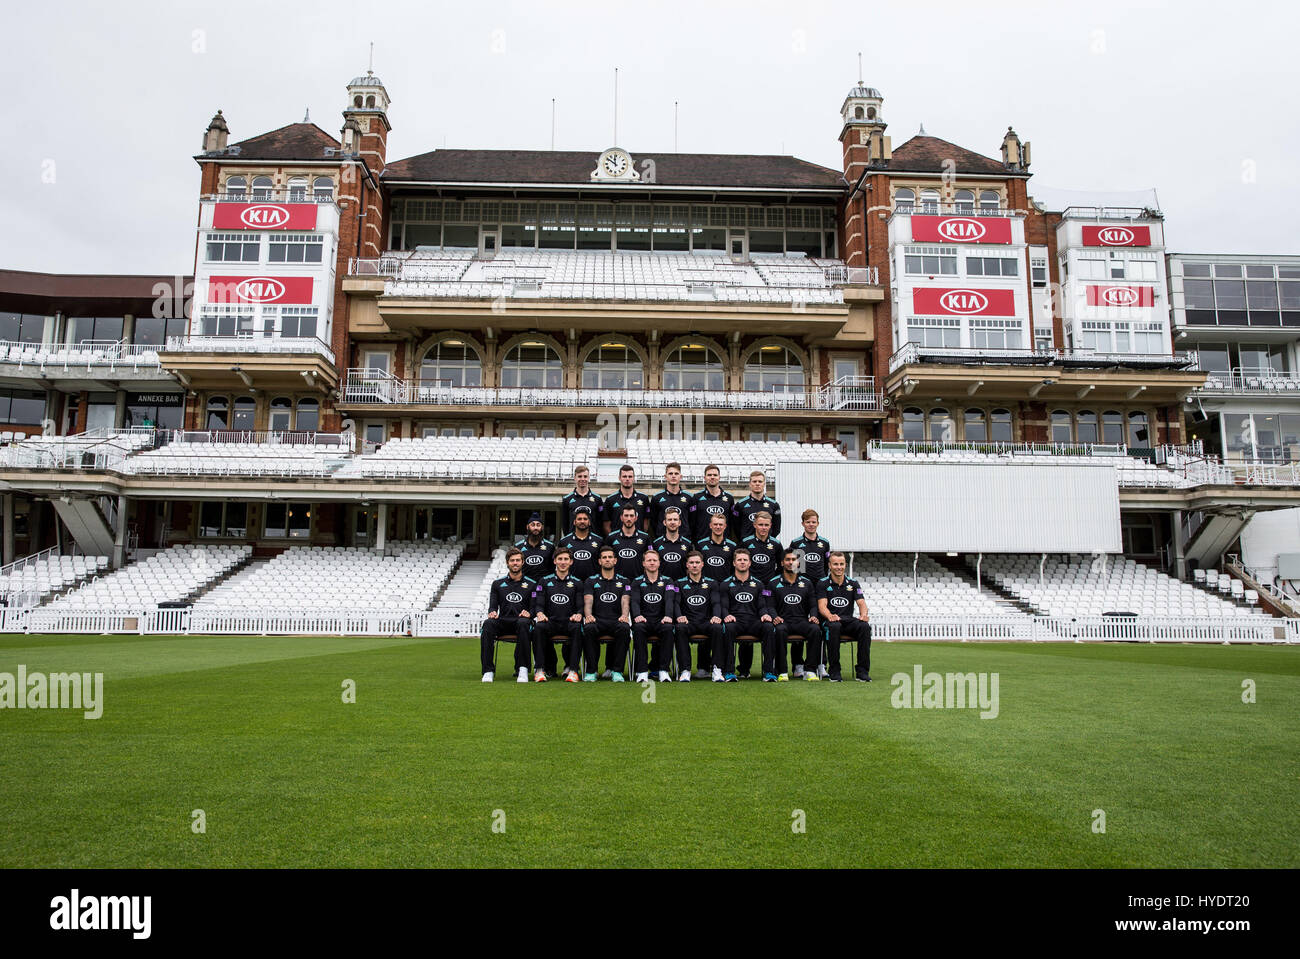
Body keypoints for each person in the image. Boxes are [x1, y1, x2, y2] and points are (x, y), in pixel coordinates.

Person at [717, 548, 775, 682]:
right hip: (736, 621)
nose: (742, 563)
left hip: (753, 621)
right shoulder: (726, 584)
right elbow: (724, 606)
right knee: (729, 628)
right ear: (734, 563)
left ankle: (768, 672)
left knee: (768, 626)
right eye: (739, 560)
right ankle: (729, 672)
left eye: (745, 560)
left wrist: (765, 614)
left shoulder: (758, 584)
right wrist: (726, 615)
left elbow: (761, 606)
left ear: (749, 563)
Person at [785, 508, 830, 678]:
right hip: (802, 590)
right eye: (808, 522)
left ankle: (821, 664)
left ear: (818, 523)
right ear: (803, 523)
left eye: (814, 522)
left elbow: (826, 567)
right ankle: (798, 664)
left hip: (819, 591)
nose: (811, 525)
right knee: (799, 624)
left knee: (818, 627)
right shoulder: (797, 543)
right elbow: (796, 567)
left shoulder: (824, 543)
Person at [529, 547, 585, 682]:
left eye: (566, 559)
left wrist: (579, 614)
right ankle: (540, 670)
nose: (563, 562)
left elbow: (580, 605)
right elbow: (539, 603)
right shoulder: (544, 581)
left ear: (571, 562)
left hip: (569, 622)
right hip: (551, 622)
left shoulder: (577, 582)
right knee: (538, 628)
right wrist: (540, 613)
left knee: (578, 627)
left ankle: (573, 670)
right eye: (560, 559)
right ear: (554, 561)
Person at [480, 547, 534, 683]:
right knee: (487, 625)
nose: (515, 563)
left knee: (523, 623)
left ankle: (523, 669)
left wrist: (530, 613)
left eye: (517, 560)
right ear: (507, 563)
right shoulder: (497, 584)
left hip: (521, 622)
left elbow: (534, 607)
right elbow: (493, 605)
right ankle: (488, 671)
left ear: (523, 562)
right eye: (512, 561)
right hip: (503, 621)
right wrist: (492, 612)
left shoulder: (532, 585)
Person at [737, 511, 781, 677]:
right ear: (754, 525)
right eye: (760, 525)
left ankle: (771, 668)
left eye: (766, 525)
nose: (763, 528)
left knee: (770, 628)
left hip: (769, 591)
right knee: (746, 625)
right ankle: (744, 669)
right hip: (748, 589)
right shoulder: (746, 542)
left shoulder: (776, 544)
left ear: (771, 526)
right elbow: (739, 564)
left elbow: (781, 566)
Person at [817, 551, 871, 683]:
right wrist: (830, 616)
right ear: (829, 565)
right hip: (829, 622)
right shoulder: (823, 583)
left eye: (841, 564)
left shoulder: (853, 583)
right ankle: (834, 670)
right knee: (834, 626)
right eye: (835, 564)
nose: (839, 567)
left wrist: (864, 615)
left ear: (845, 565)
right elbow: (822, 606)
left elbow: (861, 603)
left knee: (864, 627)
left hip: (847, 620)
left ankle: (862, 671)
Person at [581, 545, 633, 682]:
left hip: (616, 620)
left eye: (610, 557)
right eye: (604, 557)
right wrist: (588, 615)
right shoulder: (591, 581)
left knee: (624, 628)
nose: (607, 560)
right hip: (598, 620)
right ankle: (591, 672)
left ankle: (617, 671)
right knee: (589, 628)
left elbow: (625, 601)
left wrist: (624, 615)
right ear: (599, 561)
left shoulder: (624, 581)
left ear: (615, 560)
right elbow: (588, 602)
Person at [674, 551, 723, 682]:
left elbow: (716, 602)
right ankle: (685, 670)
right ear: (687, 565)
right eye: (691, 563)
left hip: (706, 622)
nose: (694, 565)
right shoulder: (679, 584)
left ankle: (717, 670)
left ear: (702, 564)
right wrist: (679, 616)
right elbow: (676, 603)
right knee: (680, 628)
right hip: (689, 622)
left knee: (717, 628)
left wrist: (716, 616)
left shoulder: (712, 584)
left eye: (697, 563)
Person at [630, 550, 679, 683]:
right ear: (643, 563)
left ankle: (663, 671)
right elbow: (634, 601)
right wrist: (637, 615)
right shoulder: (637, 582)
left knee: (668, 629)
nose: (652, 563)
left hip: (661, 620)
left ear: (659, 563)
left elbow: (670, 600)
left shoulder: (668, 581)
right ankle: (642, 671)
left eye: (654, 560)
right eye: (649, 560)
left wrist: (668, 616)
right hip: (644, 620)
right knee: (638, 629)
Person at [772, 548, 819, 683]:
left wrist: (813, 616)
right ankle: (782, 671)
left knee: (815, 629)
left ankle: (810, 670)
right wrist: (775, 617)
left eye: (793, 559)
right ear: (782, 563)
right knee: (779, 631)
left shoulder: (807, 583)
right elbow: (769, 605)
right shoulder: (774, 583)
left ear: (798, 563)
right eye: (787, 560)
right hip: (783, 622)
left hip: (801, 621)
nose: (790, 562)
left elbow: (813, 605)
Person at [688, 464, 735, 541]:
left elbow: (732, 523)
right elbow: (691, 522)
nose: (712, 477)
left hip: (723, 544)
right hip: (701, 544)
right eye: (709, 475)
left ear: (719, 477)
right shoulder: (696, 498)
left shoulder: (729, 498)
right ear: (705, 478)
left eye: (715, 475)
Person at [732, 470, 781, 541]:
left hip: (767, 546)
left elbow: (776, 528)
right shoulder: (740, 505)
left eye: (760, 481)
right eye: (754, 481)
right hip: (746, 546)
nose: (757, 484)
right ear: (750, 484)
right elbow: (736, 528)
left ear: (764, 484)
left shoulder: (774, 505)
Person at [558, 505, 603, 581]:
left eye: (585, 519)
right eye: (579, 519)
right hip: (570, 584)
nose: (582, 521)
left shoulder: (599, 541)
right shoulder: (564, 542)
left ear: (589, 522)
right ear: (574, 522)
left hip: (593, 584)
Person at [649, 462, 694, 537]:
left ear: (680, 476)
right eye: (670, 473)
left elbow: (693, 521)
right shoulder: (656, 498)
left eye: (676, 474)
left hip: (684, 541)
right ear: (665, 476)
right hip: (662, 541)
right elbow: (653, 522)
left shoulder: (689, 498)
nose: (673, 476)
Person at [606, 506, 650, 580]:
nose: (629, 519)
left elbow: (649, 559)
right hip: (617, 582)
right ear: (621, 518)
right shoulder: (611, 537)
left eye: (631, 516)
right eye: (626, 516)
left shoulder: (645, 538)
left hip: (638, 581)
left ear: (636, 518)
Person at [603, 464, 650, 534]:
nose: (627, 479)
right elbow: (606, 525)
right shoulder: (610, 500)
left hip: (638, 542)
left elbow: (646, 523)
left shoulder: (644, 498)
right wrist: (615, 539)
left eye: (630, 476)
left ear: (634, 478)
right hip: (617, 543)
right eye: (624, 476)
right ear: (619, 478)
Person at [650, 506, 691, 580]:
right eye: (669, 520)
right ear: (664, 522)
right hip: (662, 585)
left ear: (679, 523)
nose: (672, 522)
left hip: (681, 586)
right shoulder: (656, 544)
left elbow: (690, 568)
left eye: (675, 520)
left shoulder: (688, 544)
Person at [561, 465, 605, 535]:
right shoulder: (567, 499)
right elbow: (565, 523)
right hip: (573, 541)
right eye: (579, 476)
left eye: (585, 476)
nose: (582, 479)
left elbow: (601, 521)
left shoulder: (598, 499)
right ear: (575, 478)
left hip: (593, 541)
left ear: (588, 478)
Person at [696, 512, 736, 582]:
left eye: (720, 524)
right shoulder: (700, 544)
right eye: (715, 524)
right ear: (710, 525)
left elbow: (734, 569)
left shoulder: (732, 546)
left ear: (725, 526)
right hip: (706, 586)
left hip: (725, 587)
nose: (718, 527)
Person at [515, 512, 554, 580]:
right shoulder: (518, 547)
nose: (535, 528)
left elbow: (553, 569)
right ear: (527, 527)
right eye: (532, 525)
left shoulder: (550, 547)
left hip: (544, 587)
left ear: (542, 527)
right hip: (525, 586)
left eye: (538, 525)